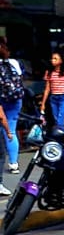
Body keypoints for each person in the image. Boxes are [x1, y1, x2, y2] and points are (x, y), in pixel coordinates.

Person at [0, 41, 23, 173]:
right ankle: (13, 163)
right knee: (11, 130)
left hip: (1, 99)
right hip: (15, 99)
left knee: (2, 129)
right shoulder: (14, 63)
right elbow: (20, 80)